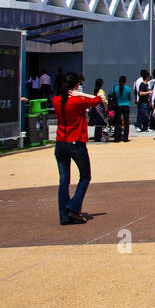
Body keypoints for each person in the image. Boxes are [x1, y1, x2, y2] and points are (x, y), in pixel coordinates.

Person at [52, 72, 102, 225]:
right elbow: (98, 99)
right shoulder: (77, 101)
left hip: (60, 142)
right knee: (85, 176)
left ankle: (64, 215)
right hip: (76, 142)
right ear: (75, 86)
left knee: (64, 180)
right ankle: (73, 207)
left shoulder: (56, 100)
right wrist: (81, 94)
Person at [112, 75, 132, 142]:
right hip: (126, 106)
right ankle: (125, 138)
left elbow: (113, 96)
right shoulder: (128, 88)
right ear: (125, 81)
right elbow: (129, 98)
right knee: (126, 122)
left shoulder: (115, 88)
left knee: (117, 122)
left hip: (118, 106)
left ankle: (117, 138)